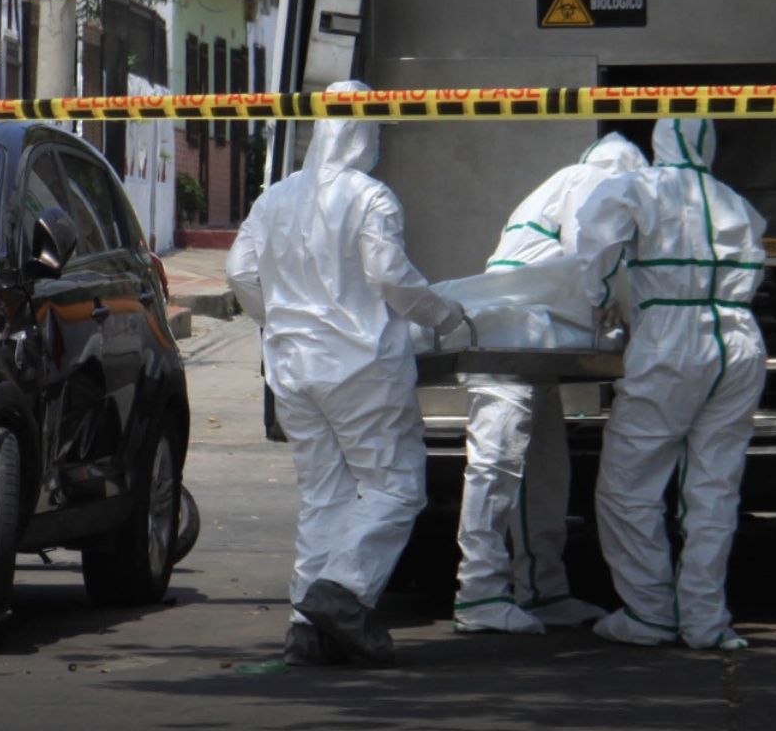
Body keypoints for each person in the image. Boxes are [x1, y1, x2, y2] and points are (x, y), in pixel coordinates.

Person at [226, 81, 465, 667]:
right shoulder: (370, 197)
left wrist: (278, 320)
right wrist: (444, 314)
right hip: (361, 368)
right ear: (361, 132)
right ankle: (344, 593)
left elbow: (238, 271)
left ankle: (305, 628)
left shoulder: (274, 198)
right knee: (394, 486)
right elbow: (389, 276)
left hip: (292, 368)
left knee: (324, 495)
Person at [573, 118, 766, 651]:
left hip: (670, 342)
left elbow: (591, 247)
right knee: (713, 490)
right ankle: (706, 622)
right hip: (740, 340)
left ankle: (651, 612)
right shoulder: (735, 202)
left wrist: (601, 299)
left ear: (658, 141)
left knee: (627, 487)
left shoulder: (639, 186)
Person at [453, 133, 645, 634]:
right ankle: (478, 593)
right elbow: (594, 256)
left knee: (542, 468)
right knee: (496, 462)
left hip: (530, 329)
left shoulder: (569, 180)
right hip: (512, 329)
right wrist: (616, 322)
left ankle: (542, 590)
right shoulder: (595, 180)